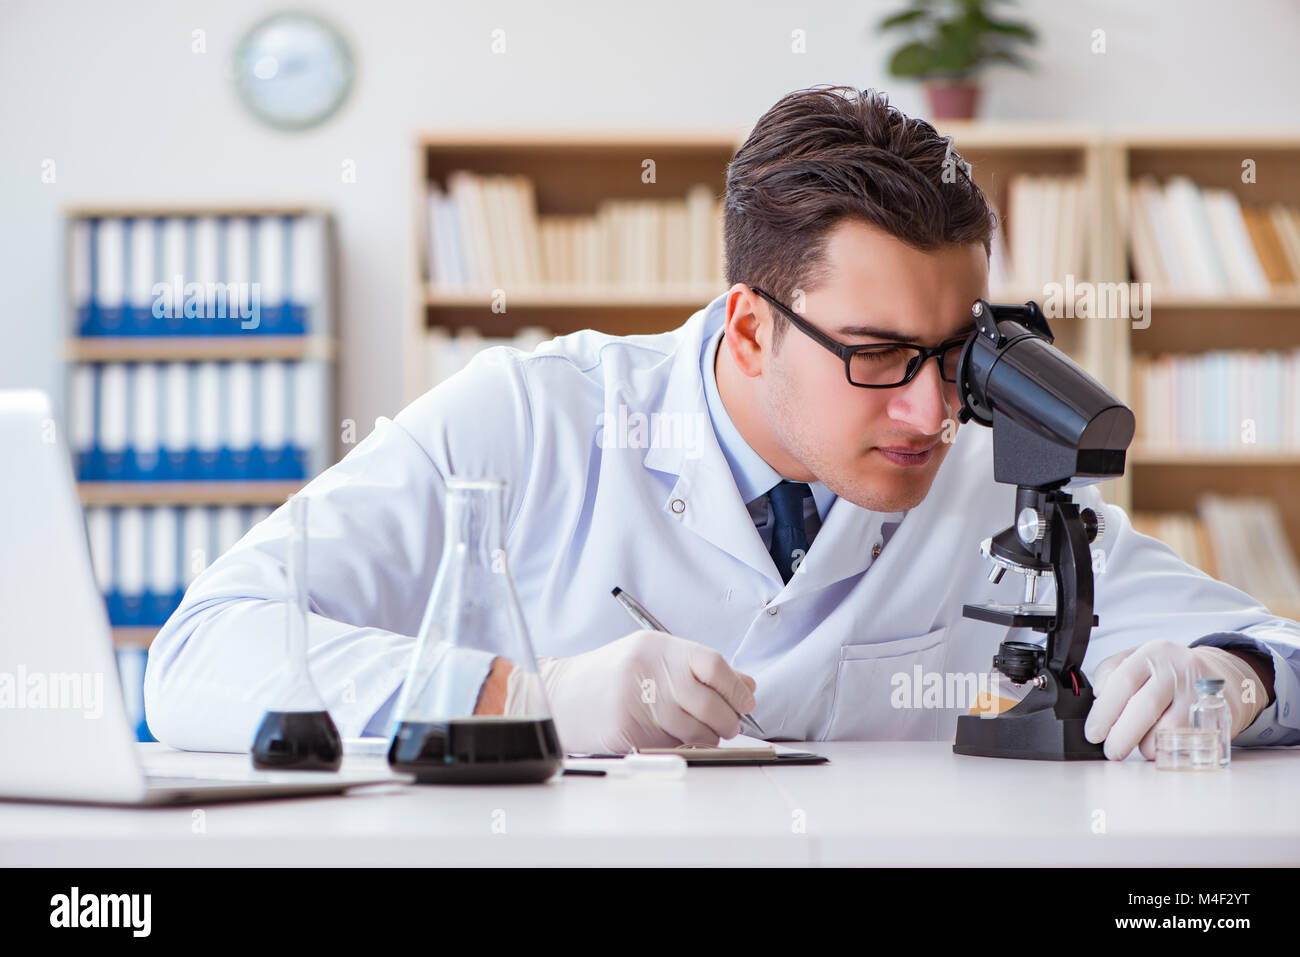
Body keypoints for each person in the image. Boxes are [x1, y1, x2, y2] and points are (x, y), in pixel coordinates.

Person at [144, 86, 1299, 760]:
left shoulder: (990, 468)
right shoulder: (534, 417)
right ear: (749, 329)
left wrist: (1228, 679)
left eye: (954, 354)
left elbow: (1275, 647)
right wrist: (527, 699)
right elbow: (203, 651)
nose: (931, 408)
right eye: (881, 356)